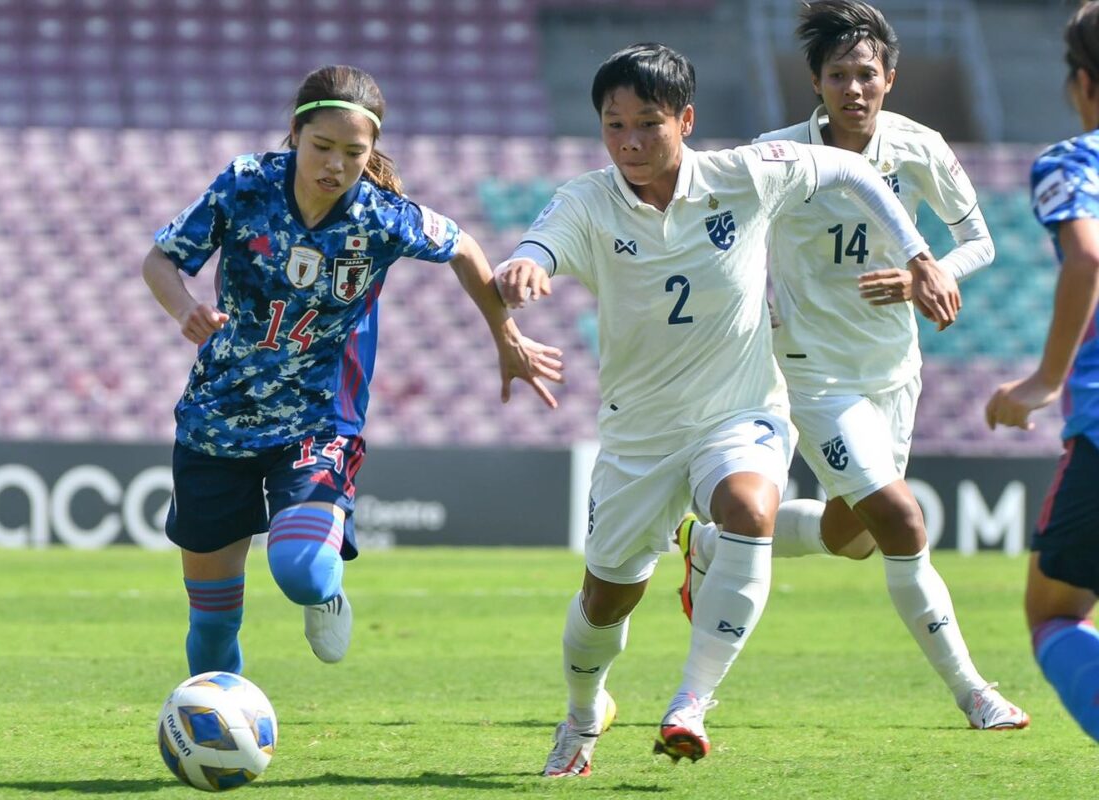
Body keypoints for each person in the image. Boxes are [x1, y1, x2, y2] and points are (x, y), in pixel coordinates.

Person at [494, 42, 958, 776]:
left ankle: (690, 704)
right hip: (639, 436)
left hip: (738, 414)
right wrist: (525, 267)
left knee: (749, 510)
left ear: (686, 118)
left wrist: (919, 251)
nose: (632, 143)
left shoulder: (743, 176)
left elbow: (847, 167)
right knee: (605, 603)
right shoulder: (587, 199)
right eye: (615, 127)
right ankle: (583, 716)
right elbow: (538, 247)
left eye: (648, 123)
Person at [675, 0, 1029, 731]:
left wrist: (929, 276)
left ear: (890, 79)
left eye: (867, 74)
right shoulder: (778, 154)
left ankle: (708, 543)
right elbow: (718, 229)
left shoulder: (918, 146)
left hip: (894, 369)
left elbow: (978, 240)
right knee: (901, 517)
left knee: (853, 536)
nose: (854, 89)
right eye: (839, 75)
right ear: (816, 82)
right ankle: (974, 693)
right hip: (813, 372)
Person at [143, 64, 563, 677]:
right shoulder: (244, 185)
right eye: (322, 147)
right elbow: (160, 260)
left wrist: (507, 336)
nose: (335, 165)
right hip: (216, 422)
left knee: (301, 573)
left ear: (370, 153)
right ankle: (215, 736)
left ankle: (327, 591)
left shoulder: (380, 217)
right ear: (295, 133)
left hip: (317, 421)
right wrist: (185, 309)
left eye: (353, 152)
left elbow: (467, 248)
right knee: (210, 625)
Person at [986, 0, 1099, 743]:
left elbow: (1088, 257)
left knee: (1054, 614)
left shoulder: (1072, 161)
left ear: (1083, 83)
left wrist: (1044, 380)